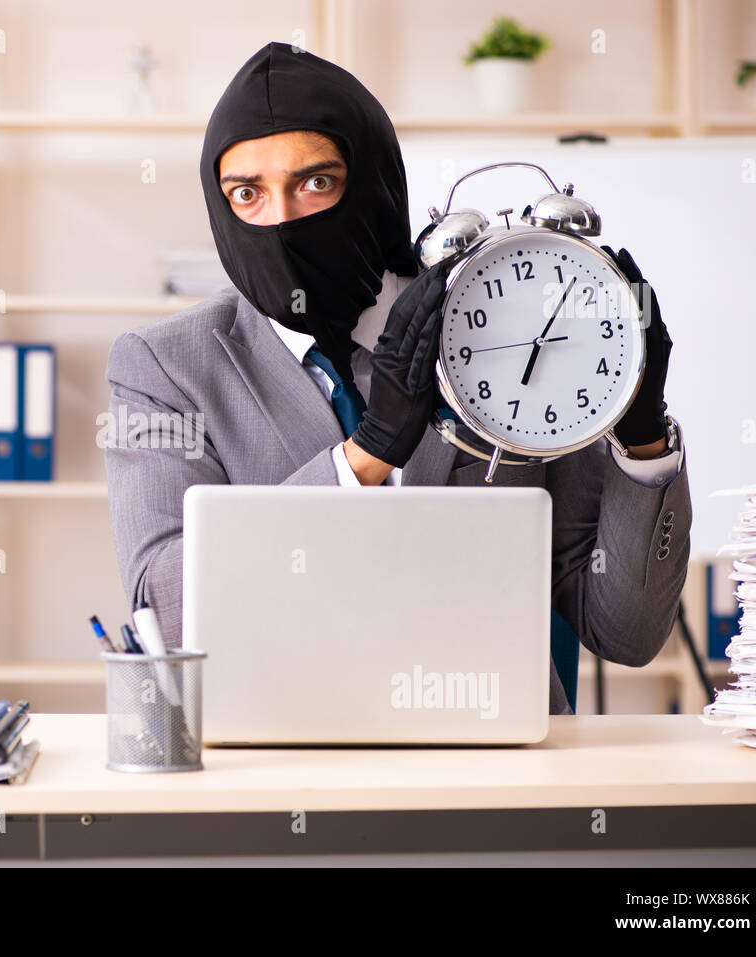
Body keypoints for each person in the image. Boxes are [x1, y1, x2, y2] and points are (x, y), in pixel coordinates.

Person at [103, 42, 690, 715]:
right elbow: (169, 619)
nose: (283, 220)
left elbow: (627, 631)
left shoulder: (502, 321)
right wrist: (364, 458)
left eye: (315, 182)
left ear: (376, 181)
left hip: (504, 774)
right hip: (282, 774)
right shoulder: (164, 367)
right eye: (248, 194)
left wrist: (643, 445)